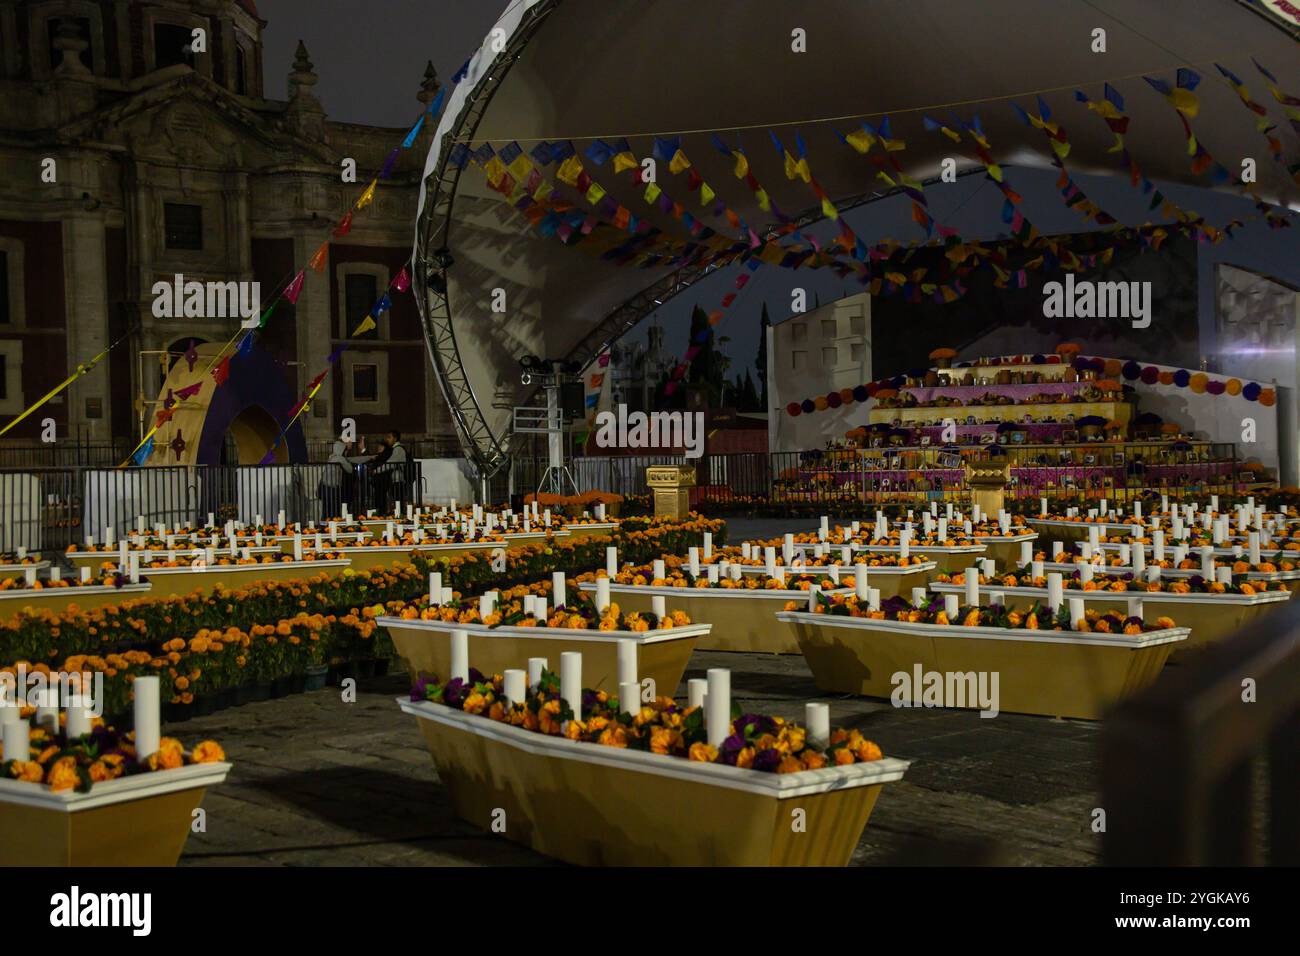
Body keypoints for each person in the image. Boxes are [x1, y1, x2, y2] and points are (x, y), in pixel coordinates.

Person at [319, 440, 355, 519]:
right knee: (333, 508)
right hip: (331, 487)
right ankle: (332, 524)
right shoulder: (339, 458)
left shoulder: (331, 456)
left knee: (326, 509)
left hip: (324, 485)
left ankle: (325, 524)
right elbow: (350, 469)